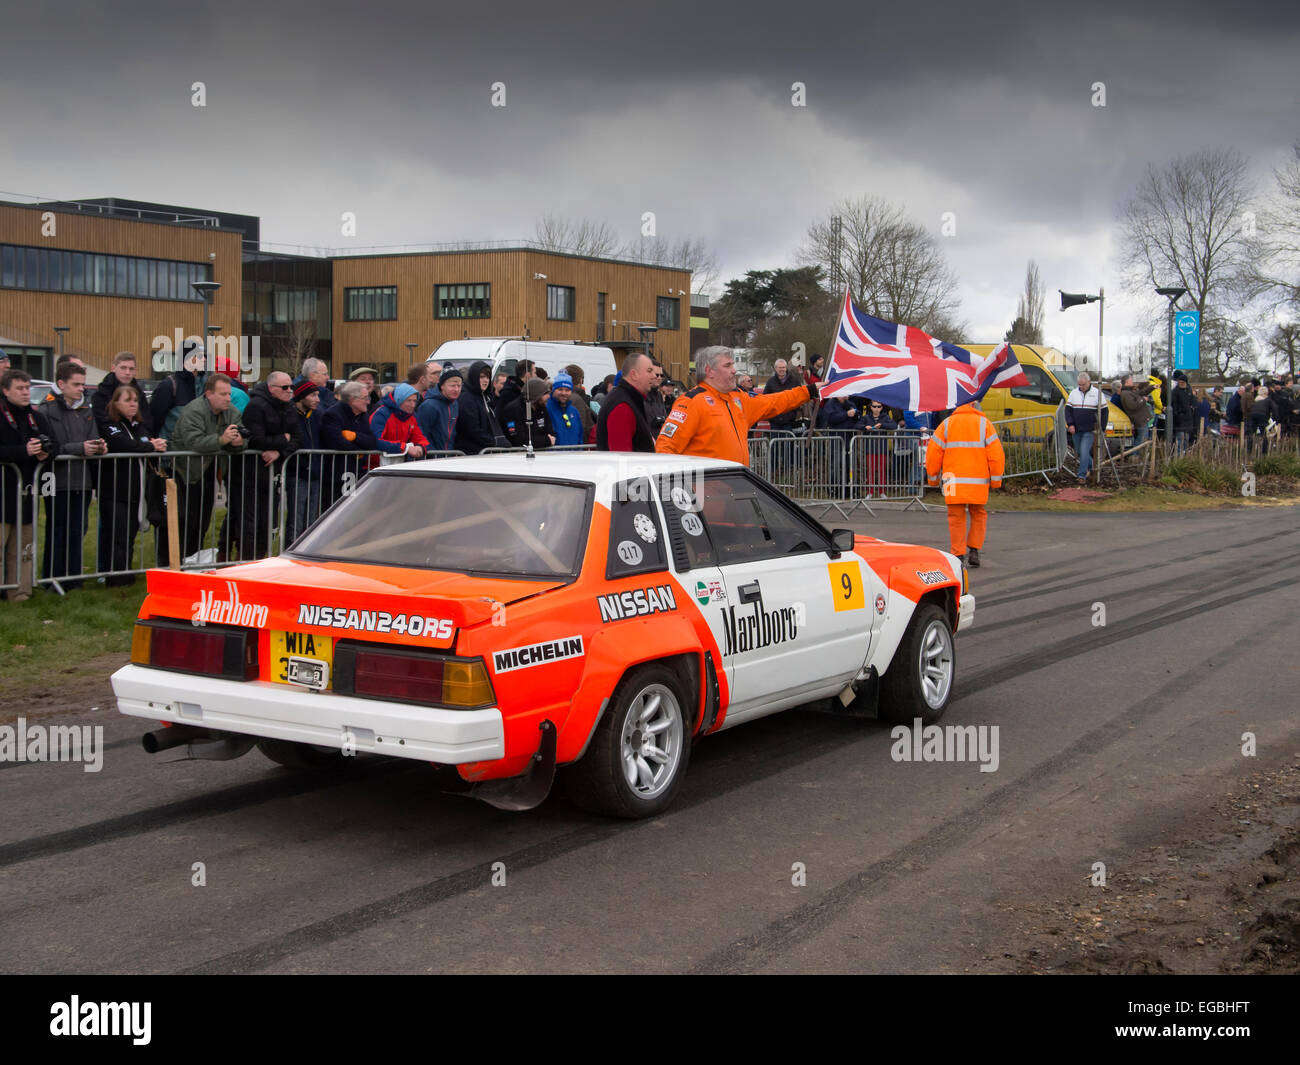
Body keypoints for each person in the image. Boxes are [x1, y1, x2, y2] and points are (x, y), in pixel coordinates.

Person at [656, 346, 814, 465]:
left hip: (735, 489)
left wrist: (809, 391)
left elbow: (774, 401)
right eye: (727, 366)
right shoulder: (691, 401)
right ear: (709, 371)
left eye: (733, 365)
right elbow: (665, 447)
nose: (734, 371)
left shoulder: (738, 399)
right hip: (704, 494)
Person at [41, 363, 106, 586]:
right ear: (61, 384)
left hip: (82, 480)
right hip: (56, 480)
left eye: (82, 384)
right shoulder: (47, 409)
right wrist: (80, 448)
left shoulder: (86, 410)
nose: (81, 389)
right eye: (76, 384)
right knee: (57, 530)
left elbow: (92, 435)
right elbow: (52, 445)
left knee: (77, 530)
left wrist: (99, 447)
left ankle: (73, 579)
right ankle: (52, 579)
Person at [171, 373, 247, 562]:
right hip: (185, 471)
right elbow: (193, 442)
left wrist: (239, 442)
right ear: (208, 394)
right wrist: (222, 440)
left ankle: (193, 560)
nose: (228, 399)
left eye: (229, 394)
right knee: (184, 519)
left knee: (202, 520)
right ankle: (177, 560)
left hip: (209, 470)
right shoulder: (194, 410)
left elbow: (243, 435)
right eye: (223, 394)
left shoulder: (232, 411)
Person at [99, 386, 167, 584]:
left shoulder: (139, 425)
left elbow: (145, 441)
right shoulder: (109, 423)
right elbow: (123, 444)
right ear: (116, 403)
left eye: (135, 400)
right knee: (117, 535)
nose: (132, 404)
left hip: (136, 488)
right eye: (127, 400)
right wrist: (149, 446)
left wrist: (155, 446)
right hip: (115, 488)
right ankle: (115, 577)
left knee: (129, 534)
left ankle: (126, 574)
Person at [925, 400, 1004, 567]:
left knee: (956, 517)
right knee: (978, 514)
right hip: (978, 480)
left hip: (952, 479)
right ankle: (974, 549)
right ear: (975, 405)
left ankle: (958, 554)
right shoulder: (984, 424)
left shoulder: (946, 424)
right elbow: (996, 454)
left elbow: (933, 452)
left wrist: (932, 478)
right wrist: (996, 480)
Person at [234, 371, 303, 560]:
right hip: (251, 472)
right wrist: (283, 439)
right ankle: (245, 560)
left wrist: (280, 452)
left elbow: (297, 437)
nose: (290, 391)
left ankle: (262, 557)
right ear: (271, 389)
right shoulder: (256, 406)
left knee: (269, 520)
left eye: (291, 387)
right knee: (250, 522)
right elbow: (257, 439)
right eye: (285, 388)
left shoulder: (289, 406)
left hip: (274, 469)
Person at [0, 369, 54, 600]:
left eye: (27, 388)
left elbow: (55, 445)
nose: (25, 393)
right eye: (20, 388)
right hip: (3, 491)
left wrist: (45, 453)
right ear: (5, 390)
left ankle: (19, 592)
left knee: (23, 548)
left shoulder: (36, 416)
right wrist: (22, 451)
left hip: (26, 493)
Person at [320, 381, 380, 506]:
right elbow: (338, 443)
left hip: (354, 470)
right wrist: (359, 450)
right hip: (335, 473)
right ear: (352, 400)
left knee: (350, 505)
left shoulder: (362, 415)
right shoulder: (332, 415)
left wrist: (355, 436)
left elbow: (372, 441)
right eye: (365, 398)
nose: (368, 402)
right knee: (335, 508)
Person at [596, 353, 658, 453]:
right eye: (649, 371)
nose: (654, 376)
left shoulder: (629, 400)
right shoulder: (622, 406)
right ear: (634, 374)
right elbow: (621, 456)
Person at [286, 378, 323, 543]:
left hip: (315, 473)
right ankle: (292, 550)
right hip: (298, 474)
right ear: (302, 397)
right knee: (296, 519)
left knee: (311, 520)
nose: (317, 399)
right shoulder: (291, 415)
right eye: (313, 395)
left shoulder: (315, 416)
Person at [150, 340, 206, 441]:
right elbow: (154, 419)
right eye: (200, 356)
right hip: (171, 451)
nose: (204, 359)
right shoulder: (169, 385)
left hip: (196, 450)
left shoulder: (204, 385)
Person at [91, 351, 150, 436]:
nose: (127, 372)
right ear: (113, 368)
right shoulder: (102, 394)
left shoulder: (140, 394)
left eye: (131, 369)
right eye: (123, 368)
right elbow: (103, 423)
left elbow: (147, 420)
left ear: (135, 371)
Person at [455, 361, 509, 454]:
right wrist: (494, 442)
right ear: (474, 377)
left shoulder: (486, 397)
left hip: (485, 450)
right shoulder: (466, 398)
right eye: (481, 377)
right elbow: (472, 429)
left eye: (488, 377)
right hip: (472, 453)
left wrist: (501, 440)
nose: (485, 380)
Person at [1064, 372, 1108, 483]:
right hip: (1076, 429)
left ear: (1089, 382)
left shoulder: (1098, 394)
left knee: (1084, 451)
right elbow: (1068, 410)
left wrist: (1102, 428)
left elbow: (1104, 412)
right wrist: (1070, 424)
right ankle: (1093, 466)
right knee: (1079, 451)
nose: (1081, 387)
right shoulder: (1074, 393)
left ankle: (1081, 476)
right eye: (1079, 385)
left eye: (1083, 385)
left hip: (1090, 430)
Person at [370, 383, 427, 461]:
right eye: (409, 400)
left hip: (398, 463)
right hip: (375, 465)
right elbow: (375, 441)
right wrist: (404, 447)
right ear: (399, 400)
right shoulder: (382, 414)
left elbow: (420, 437)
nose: (413, 405)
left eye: (415, 401)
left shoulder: (412, 416)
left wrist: (421, 447)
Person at [417, 369, 462, 452]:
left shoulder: (455, 404)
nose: (456, 389)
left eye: (459, 386)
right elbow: (420, 434)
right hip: (432, 457)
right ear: (442, 386)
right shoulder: (429, 405)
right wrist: (433, 453)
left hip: (449, 456)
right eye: (452, 386)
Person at [501, 378, 553, 449]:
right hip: (516, 456)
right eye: (545, 394)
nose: (549, 396)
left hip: (541, 455)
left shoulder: (541, 408)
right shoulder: (514, 409)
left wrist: (545, 439)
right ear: (535, 395)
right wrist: (547, 440)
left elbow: (551, 434)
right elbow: (519, 440)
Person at [860, 399, 897, 498]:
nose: (876, 409)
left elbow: (894, 425)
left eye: (879, 407)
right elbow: (857, 425)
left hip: (882, 449)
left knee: (882, 470)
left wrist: (882, 425)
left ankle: (882, 492)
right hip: (870, 449)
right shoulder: (866, 417)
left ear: (882, 408)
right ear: (871, 407)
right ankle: (870, 492)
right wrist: (865, 427)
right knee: (870, 471)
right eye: (874, 406)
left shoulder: (885, 417)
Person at [762, 358, 803, 431]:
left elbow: (800, 396)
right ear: (775, 368)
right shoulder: (770, 382)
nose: (782, 369)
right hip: (774, 419)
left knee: (787, 441)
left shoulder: (794, 381)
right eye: (779, 368)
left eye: (783, 367)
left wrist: (795, 411)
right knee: (775, 442)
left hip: (789, 420)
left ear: (786, 368)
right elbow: (764, 398)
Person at [546, 372, 584, 446]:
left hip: (574, 456)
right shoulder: (546, 409)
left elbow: (580, 437)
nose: (564, 393)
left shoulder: (574, 411)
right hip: (553, 457)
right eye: (560, 389)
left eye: (567, 390)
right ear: (553, 390)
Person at [496, 360, 536, 429]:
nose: (536, 376)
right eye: (535, 373)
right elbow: (503, 419)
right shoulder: (509, 393)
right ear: (527, 374)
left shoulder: (524, 391)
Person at [1116, 374, 1154, 446]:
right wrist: (1143, 400)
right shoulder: (1126, 393)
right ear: (1127, 382)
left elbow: (1142, 392)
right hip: (1139, 420)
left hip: (1142, 419)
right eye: (1131, 380)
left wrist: (1152, 387)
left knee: (1142, 439)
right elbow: (1132, 406)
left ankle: (1136, 455)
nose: (1133, 382)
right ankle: (1134, 455)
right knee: (1141, 439)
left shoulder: (1130, 391)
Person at [563, 364, 596, 440]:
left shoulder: (561, 397)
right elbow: (581, 427)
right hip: (579, 446)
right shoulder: (576, 399)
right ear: (580, 380)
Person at [1169, 370, 1195, 453]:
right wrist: (1179, 414)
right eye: (1179, 382)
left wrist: (1192, 408)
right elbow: (1174, 405)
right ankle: (1178, 456)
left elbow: (1193, 401)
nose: (1181, 384)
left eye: (1183, 382)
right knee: (1180, 440)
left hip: (1188, 419)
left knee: (1186, 440)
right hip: (1179, 421)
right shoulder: (1175, 392)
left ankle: (1184, 456)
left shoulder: (1189, 391)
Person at [1246, 384, 1275, 455]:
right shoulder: (1266, 400)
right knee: (1263, 433)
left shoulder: (1256, 399)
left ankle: (1249, 450)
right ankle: (1264, 451)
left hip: (1253, 416)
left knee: (1252, 433)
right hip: (1261, 416)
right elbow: (1273, 409)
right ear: (1265, 393)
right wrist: (1275, 419)